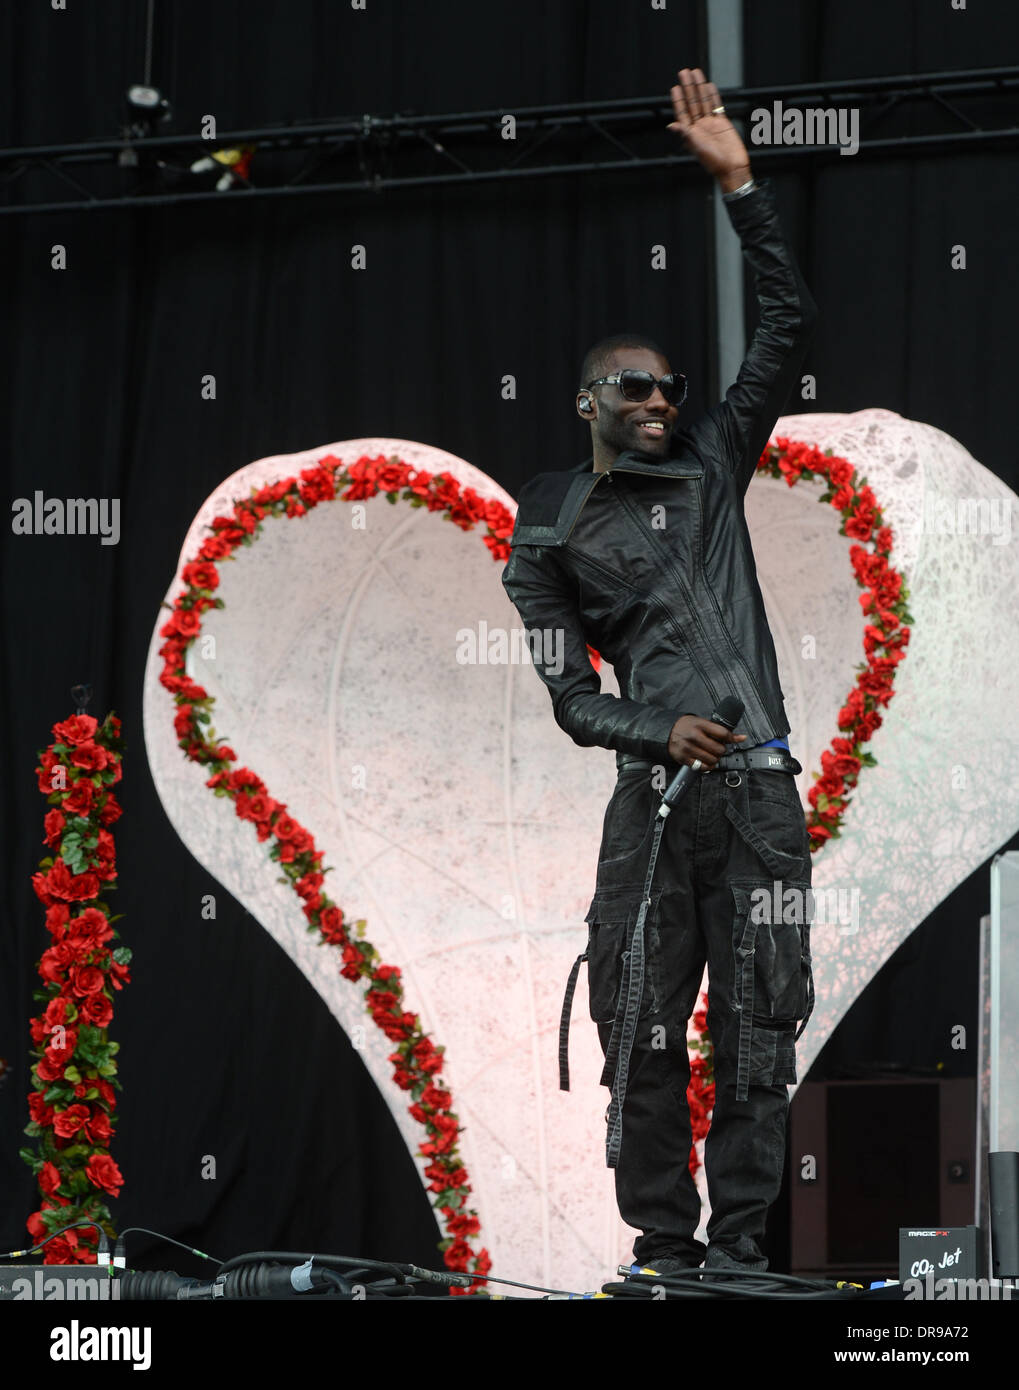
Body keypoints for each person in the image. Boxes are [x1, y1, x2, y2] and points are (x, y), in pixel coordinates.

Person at [500, 68, 817, 1275]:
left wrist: (739, 184)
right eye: (634, 387)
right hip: (653, 803)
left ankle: (736, 1251)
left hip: (759, 796)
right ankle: (663, 1250)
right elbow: (566, 695)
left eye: (669, 386)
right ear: (588, 400)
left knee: (756, 1027)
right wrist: (652, 731)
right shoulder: (549, 528)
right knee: (636, 1023)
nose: (659, 400)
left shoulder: (712, 460)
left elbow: (785, 329)